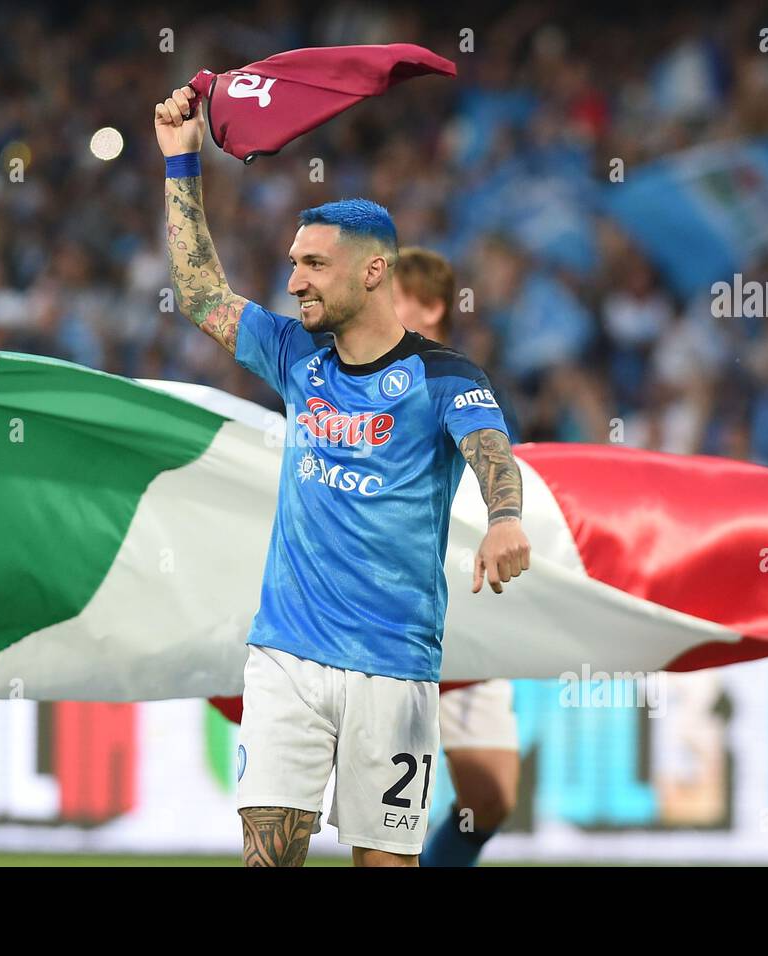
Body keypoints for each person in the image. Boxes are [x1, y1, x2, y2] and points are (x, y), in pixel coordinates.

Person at [155, 86, 531, 866]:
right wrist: (180, 159)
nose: (293, 283)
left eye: (313, 266)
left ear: (372, 274)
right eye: (293, 265)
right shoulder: (295, 356)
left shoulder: (444, 376)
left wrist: (504, 518)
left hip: (395, 666)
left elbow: (490, 448)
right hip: (287, 655)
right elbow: (198, 294)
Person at [393, 246, 522, 867]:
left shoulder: (466, 383)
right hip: (391, 612)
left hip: (470, 615)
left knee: (491, 796)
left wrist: (505, 521)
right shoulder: (346, 377)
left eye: (393, 297)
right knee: (384, 808)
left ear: (432, 306)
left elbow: (514, 477)